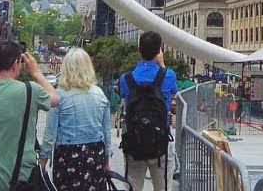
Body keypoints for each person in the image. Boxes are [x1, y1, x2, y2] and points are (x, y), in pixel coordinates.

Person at [0, 41, 60, 191]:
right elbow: (55, 99)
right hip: (17, 182)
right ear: (16, 64)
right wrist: (35, 72)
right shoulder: (30, 91)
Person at [41, 48, 114, 190]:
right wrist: (106, 161)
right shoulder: (100, 94)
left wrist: (42, 163)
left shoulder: (59, 96)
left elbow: (50, 134)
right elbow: (106, 132)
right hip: (95, 155)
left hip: (67, 156)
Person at [119, 31, 178, 191]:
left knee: (132, 187)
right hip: (161, 143)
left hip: (134, 142)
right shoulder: (168, 76)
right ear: (159, 50)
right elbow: (174, 91)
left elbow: (123, 95)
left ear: (139, 49)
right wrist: (162, 64)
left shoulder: (126, 79)